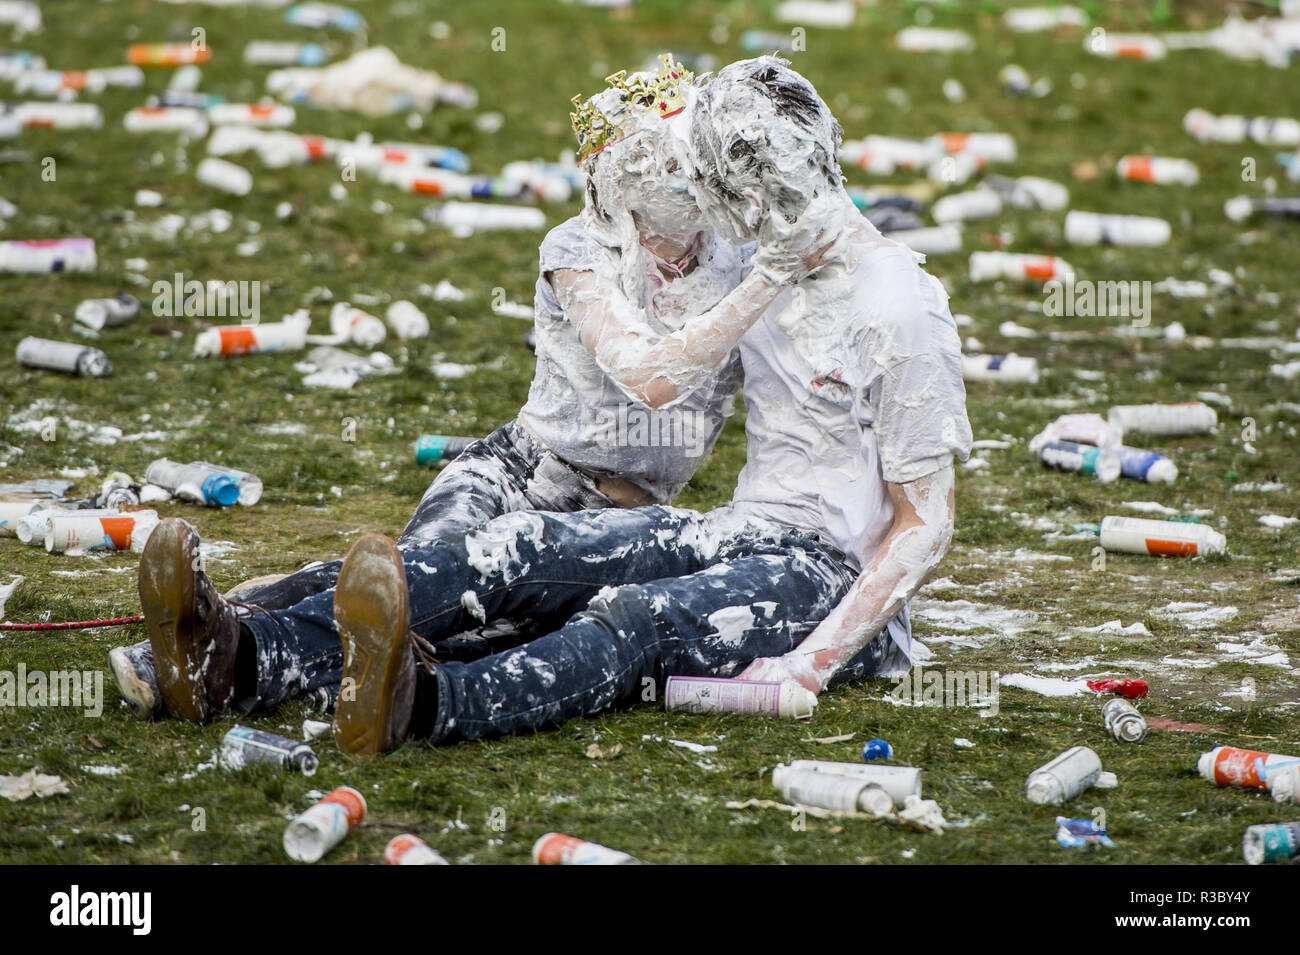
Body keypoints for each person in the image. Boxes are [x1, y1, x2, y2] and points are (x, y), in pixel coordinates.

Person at [136, 57, 972, 753]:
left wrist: (812, 663)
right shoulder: (758, 265)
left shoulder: (897, 301)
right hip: (733, 524)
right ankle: (240, 659)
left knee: (632, 617)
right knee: (513, 551)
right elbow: (661, 345)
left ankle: (421, 705)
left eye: (740, 187)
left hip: (828, 569)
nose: (735, 214)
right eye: (724, 189)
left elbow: (924, 520)